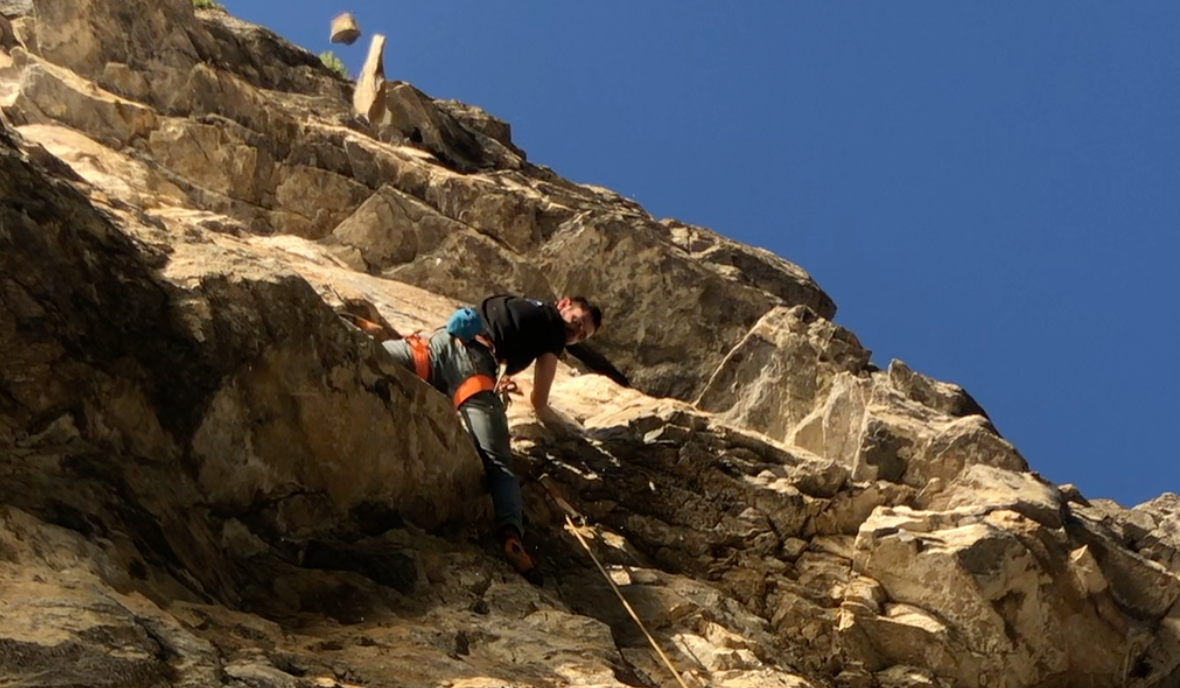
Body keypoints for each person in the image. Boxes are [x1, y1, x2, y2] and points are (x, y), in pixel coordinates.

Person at [381, 294, 602, 583]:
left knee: (370, 354)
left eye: (581, 336)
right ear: (563, 304)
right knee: (497, 459)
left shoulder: (515, 303)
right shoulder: (552, 328)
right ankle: (511, 535)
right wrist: (570, 431)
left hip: (439, 345)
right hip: (472, 367)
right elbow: (540, 401)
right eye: (577, 322)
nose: (575, 333)